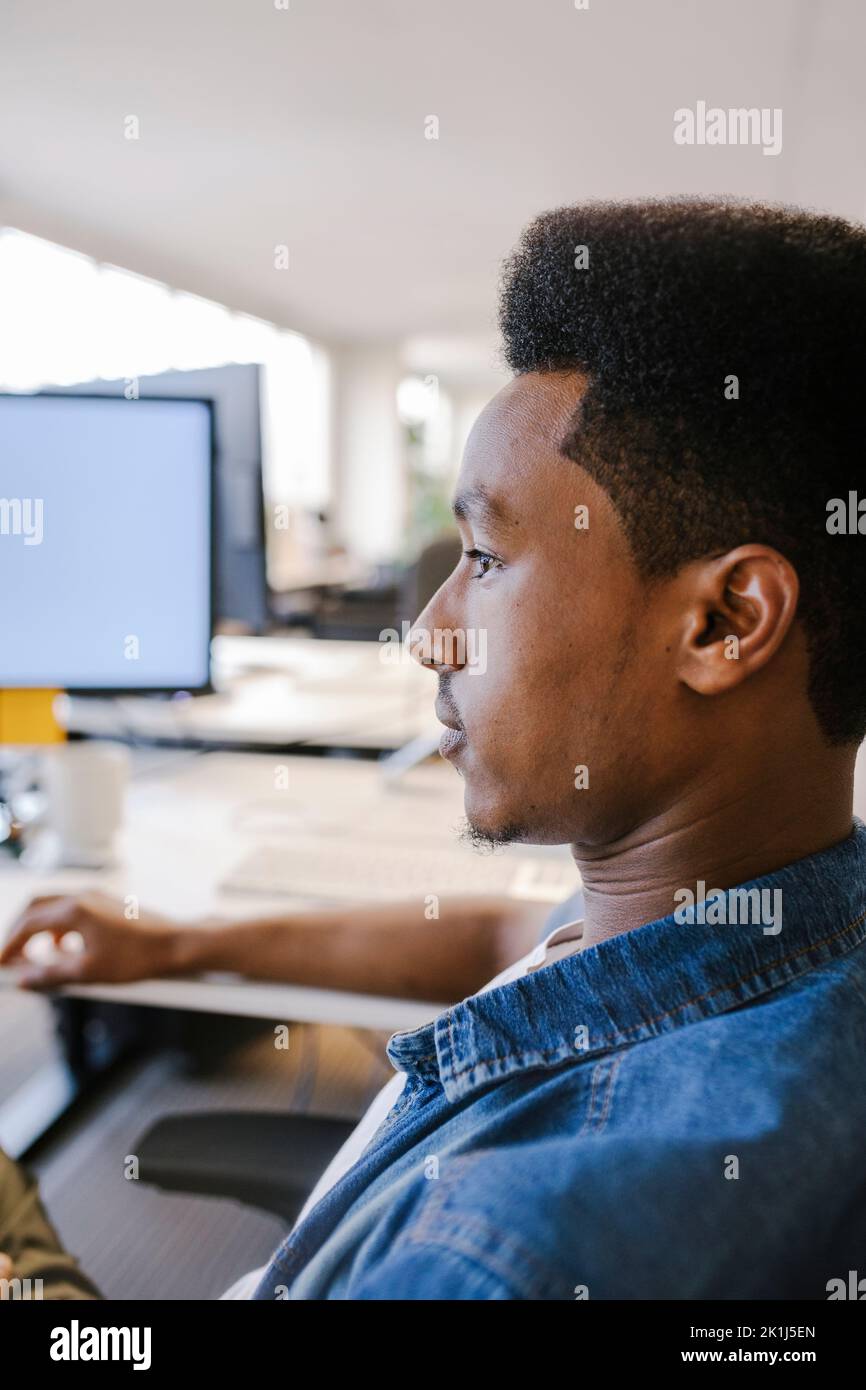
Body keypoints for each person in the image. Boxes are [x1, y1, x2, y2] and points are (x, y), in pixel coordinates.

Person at [3, 196, 866, 1299]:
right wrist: (171, 948)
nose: (427, 632)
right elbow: (508, 932)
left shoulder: (508, 1250)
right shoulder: (771, 911)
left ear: (722, 622)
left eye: (485, 556)